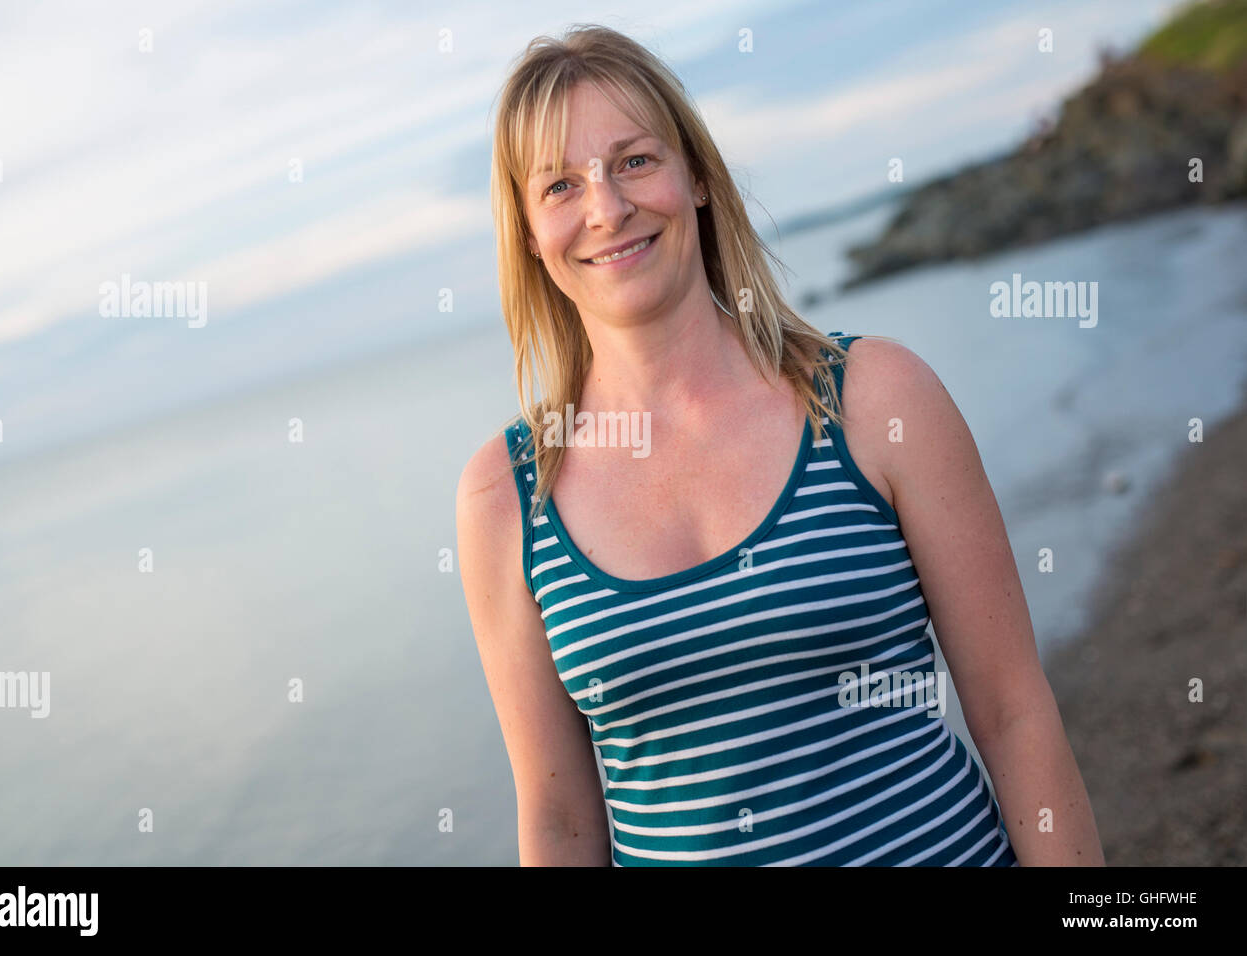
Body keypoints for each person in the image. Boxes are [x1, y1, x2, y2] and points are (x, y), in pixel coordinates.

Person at [455, 23, 1104, 867]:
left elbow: (1015, 713)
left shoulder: (875, 399)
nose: (607, 208)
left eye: (635, 161)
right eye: (560, 185)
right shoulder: (506, 498)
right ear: (531, 234)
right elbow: (559, 823)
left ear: (694, 176)